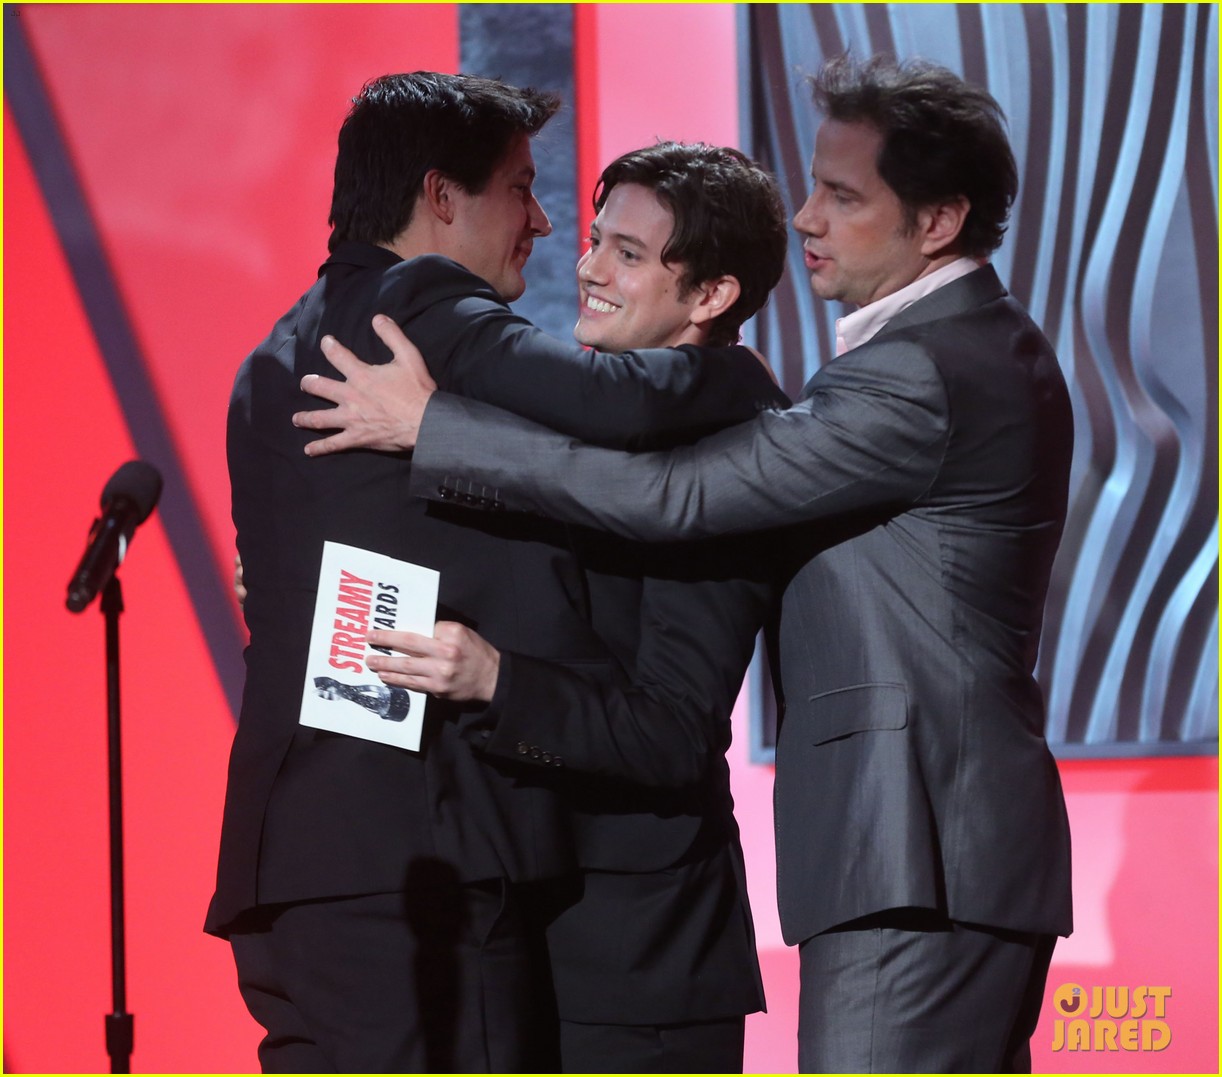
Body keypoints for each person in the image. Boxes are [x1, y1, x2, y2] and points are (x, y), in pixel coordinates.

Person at [296, 55, 1075, 1073]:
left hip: (915, 847)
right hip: (890, 854)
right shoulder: (933, 356)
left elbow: (682, 505)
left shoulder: (920, 372)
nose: (808, 220)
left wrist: (435, 427)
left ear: (937, 222)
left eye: (843, 197)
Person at [216, 70, 786, 1072]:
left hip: (312, 865)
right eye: (521, 188)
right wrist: (744, 376)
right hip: (407, 865)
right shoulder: (416, 301)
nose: (548, 224)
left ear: (707, 290)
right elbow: (620, 407)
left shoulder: (273, 353)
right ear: (442, 197)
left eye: (623, 248)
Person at [362, 140, 790, 1074]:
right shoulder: (565, 411)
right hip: (507, 928)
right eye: (596, 241)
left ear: (711, 296)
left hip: (640, 967)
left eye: (628, 255)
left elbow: (670, 730)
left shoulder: (735, 449)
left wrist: (494, 678)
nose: (586, 268)